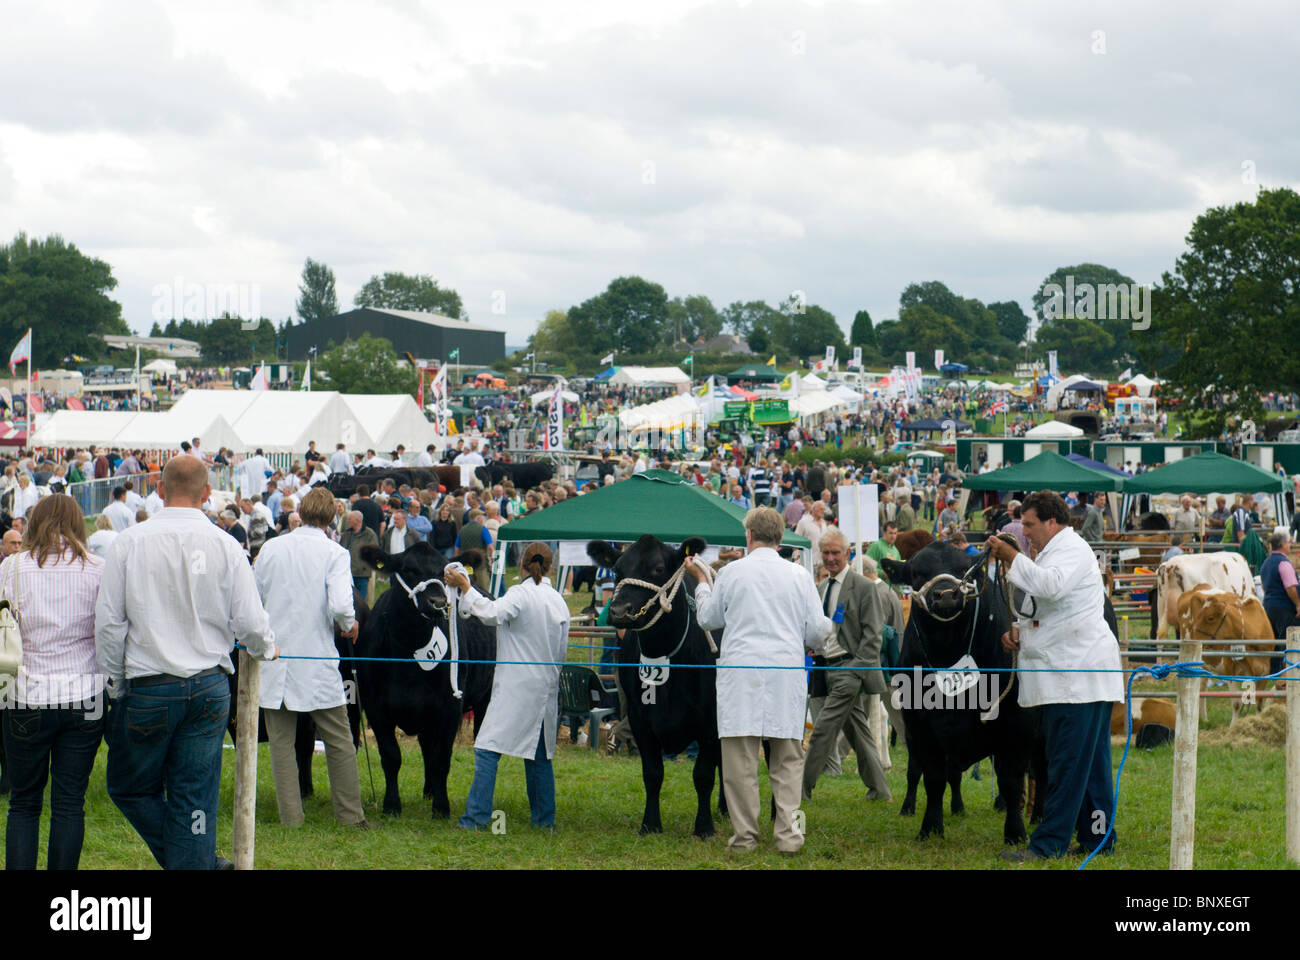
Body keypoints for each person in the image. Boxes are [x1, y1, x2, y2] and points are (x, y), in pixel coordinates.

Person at [94, 454, 280, 870]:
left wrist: (117, 684)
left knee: (129, 787)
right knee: (193, 796)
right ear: (208, 492)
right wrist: (266, 646)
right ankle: (200, 863)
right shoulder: (226, 545)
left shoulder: (130, 542)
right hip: (209, 685)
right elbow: (250, 621)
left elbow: (108, 624)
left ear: (159, 489)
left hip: (151, 683)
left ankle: (199, 865)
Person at [687, 507, 833, 855]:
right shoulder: (799, 576)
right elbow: (816, 630)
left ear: (749, 536)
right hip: (785, 675)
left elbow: (707, 619)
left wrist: (703, 585)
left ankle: (745, 838)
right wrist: (823, 632)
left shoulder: (733, 572)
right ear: (780, 537)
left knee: (740, 765)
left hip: (742, 675)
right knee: (788, 763)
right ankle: (790, 836)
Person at [988, 490, 1123, 861]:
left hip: (1075, 678)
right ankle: (1098, 837)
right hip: (1077, 676)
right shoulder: (1055, 552)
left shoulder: (1072, 549)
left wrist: (1012, 556)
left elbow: (1050, 586)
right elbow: (1050, 609)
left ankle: (1049, 844)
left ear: (1052, 521)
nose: (1025, 532)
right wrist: (1020, 632)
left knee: (1066, 763)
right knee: (1091, 767)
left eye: (1030, 524)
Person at [0, 495, 105, 870]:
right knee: (68, 801)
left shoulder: (12, 567)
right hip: (83, 694)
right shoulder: (97, 569)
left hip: (26, 693)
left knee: (24, 802)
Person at [253, 487, 366, 829]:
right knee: (339, 740)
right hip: (315, 659)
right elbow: (343, 607)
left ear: (300, 512)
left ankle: (292, 819)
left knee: (281, 745)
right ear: (333, 517)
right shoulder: (334, 552)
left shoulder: (271, 548)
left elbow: (253, 600)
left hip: (276, 658)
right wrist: (350, 624)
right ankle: (350, 817)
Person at [446, 542, 569, 830]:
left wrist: (465, 585)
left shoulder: (520, 594)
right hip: (545, 689)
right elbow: (562, 652)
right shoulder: (558, 600)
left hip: (516, 688)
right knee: (540, 756)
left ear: (523, 566)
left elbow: (491, 613)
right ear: (550, 567)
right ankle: (544, 823)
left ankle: (474, 820)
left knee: (487, 748)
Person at [802, 529, 892, 802]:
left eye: (835, 553)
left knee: (822, 731)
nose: (830, 558)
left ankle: (799, 789)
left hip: (850, 671)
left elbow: (873, 635)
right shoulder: (819, 589)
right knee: (859, 734)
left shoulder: (864, 587)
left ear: (848, 554)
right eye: (826, 553)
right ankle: (880, 790)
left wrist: (855, 670)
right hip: (825, 667)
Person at [1260, 529, 1300, 677]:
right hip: (1284, 607)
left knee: (1275, 639)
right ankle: (1288, 670)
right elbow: (1290, 587)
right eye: (1289, 543)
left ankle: (1275, 671)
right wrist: (1298, 604)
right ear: (1283, 544)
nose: (1290, 545)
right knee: (1288, 639)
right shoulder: (1284, 563)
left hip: (1269, 606)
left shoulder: (1266, 562)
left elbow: (1264, 586)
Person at [341, 510, 378, 596]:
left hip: (362, 574)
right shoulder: (346, 534)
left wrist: (364, 567)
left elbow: (374, 553)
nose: (348, 521)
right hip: (347, 573)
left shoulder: (369, 534)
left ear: (357, 520)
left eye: (350, 519)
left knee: (361, 599)